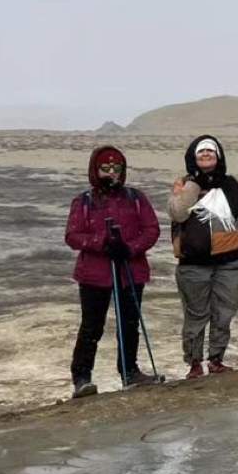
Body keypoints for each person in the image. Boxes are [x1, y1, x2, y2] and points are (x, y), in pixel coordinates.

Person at [65, 144, 161, 396]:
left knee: (129, 324)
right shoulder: (84, 201)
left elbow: (151, 229)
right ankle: (82, 377)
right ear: (95, 170)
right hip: (94, 274)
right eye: (105, 168)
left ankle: (130, 371)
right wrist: (101, 243)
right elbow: (72, 235)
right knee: (91, 326)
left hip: (130, 270)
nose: (111, 172)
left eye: (116, 167)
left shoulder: (136, 198)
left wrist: (130, 248)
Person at [169, 135, 238, 378]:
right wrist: (196, 183)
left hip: (228, 259)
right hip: (193, 262)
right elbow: (178, 213)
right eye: (201, 152)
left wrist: (222, 184)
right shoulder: (184, 184)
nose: (206, 155)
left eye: (211, 152)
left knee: (224, 312)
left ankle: (217, 359)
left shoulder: (229, 182)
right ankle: (194, 363)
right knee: (196, 314)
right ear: (193, 157)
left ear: (219, 156)